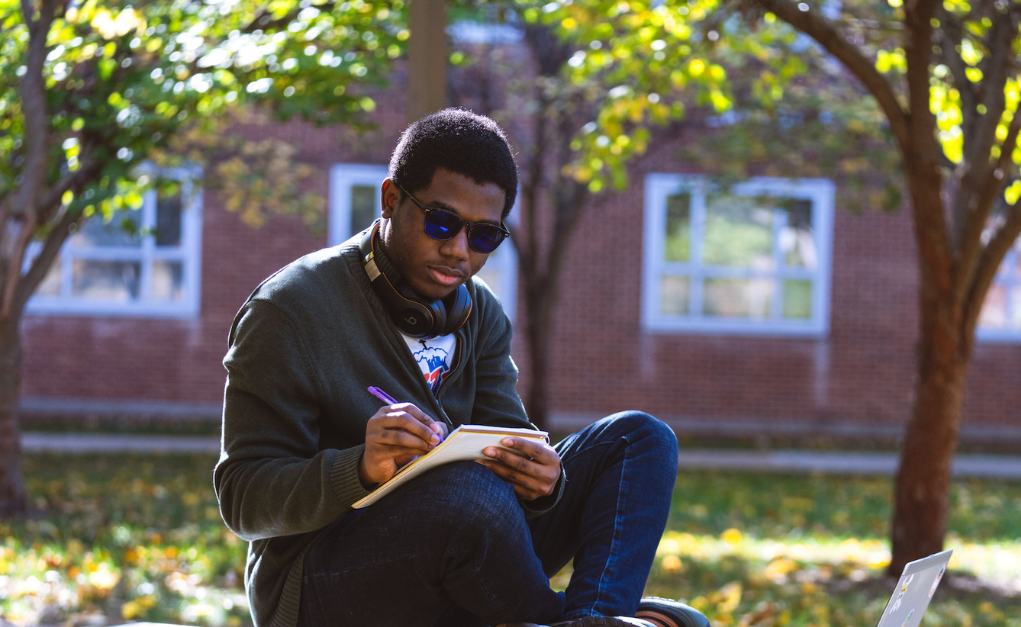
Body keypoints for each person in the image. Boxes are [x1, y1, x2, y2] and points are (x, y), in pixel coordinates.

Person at [214, 109, 708, 627]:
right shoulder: (290, 310)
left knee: (639, 441)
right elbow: (243, 499)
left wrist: (545, 480)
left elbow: (509, 440)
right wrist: (358, 469)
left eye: (484, 237)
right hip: (319, 586)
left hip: (468, 549)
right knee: (467, 495)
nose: (458, 251)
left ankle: (594, 617)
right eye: (441, 222)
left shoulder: (481, 311)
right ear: (390, 199)